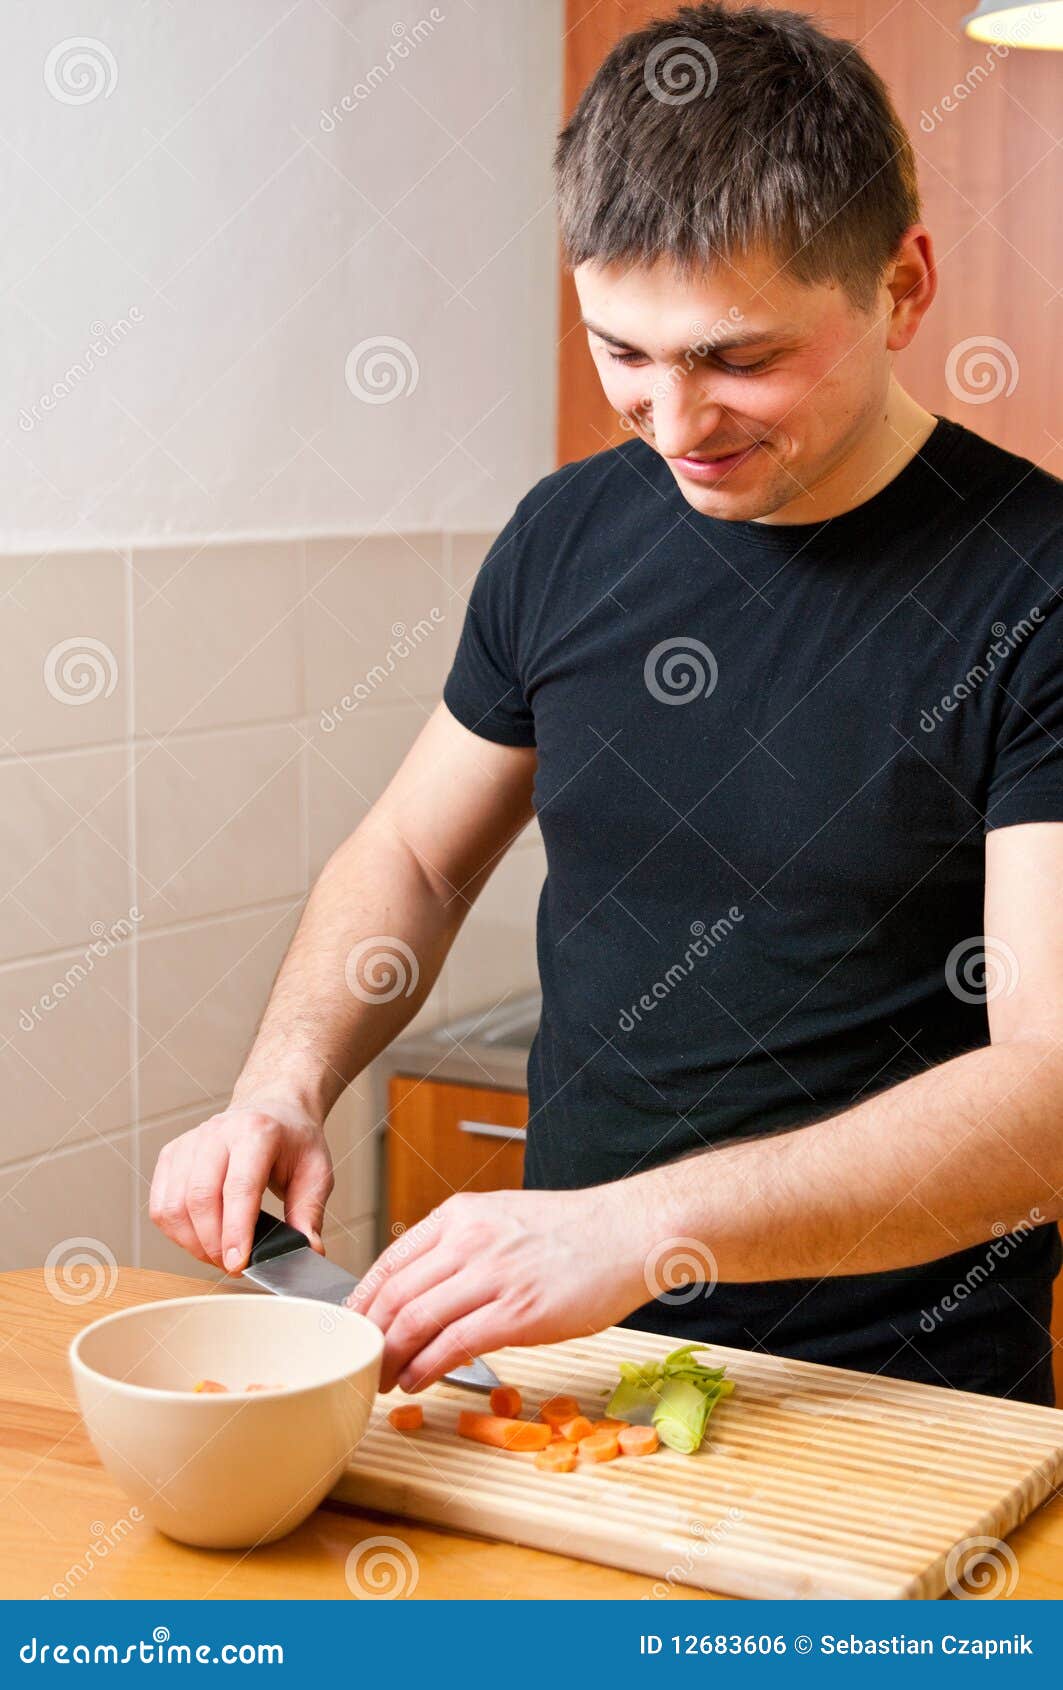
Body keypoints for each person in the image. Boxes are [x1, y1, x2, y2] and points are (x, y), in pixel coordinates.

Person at [150, 2, 1063, 1406]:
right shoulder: (569, 534)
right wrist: (283, 1079)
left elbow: (1050, 1090)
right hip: (565, 1377)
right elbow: (414, 852)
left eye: (739, 359)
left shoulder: (1036, 587)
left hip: (895, 1402)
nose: (675, 421)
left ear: (902, 285)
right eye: (623, 352)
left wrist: (641, 1229)